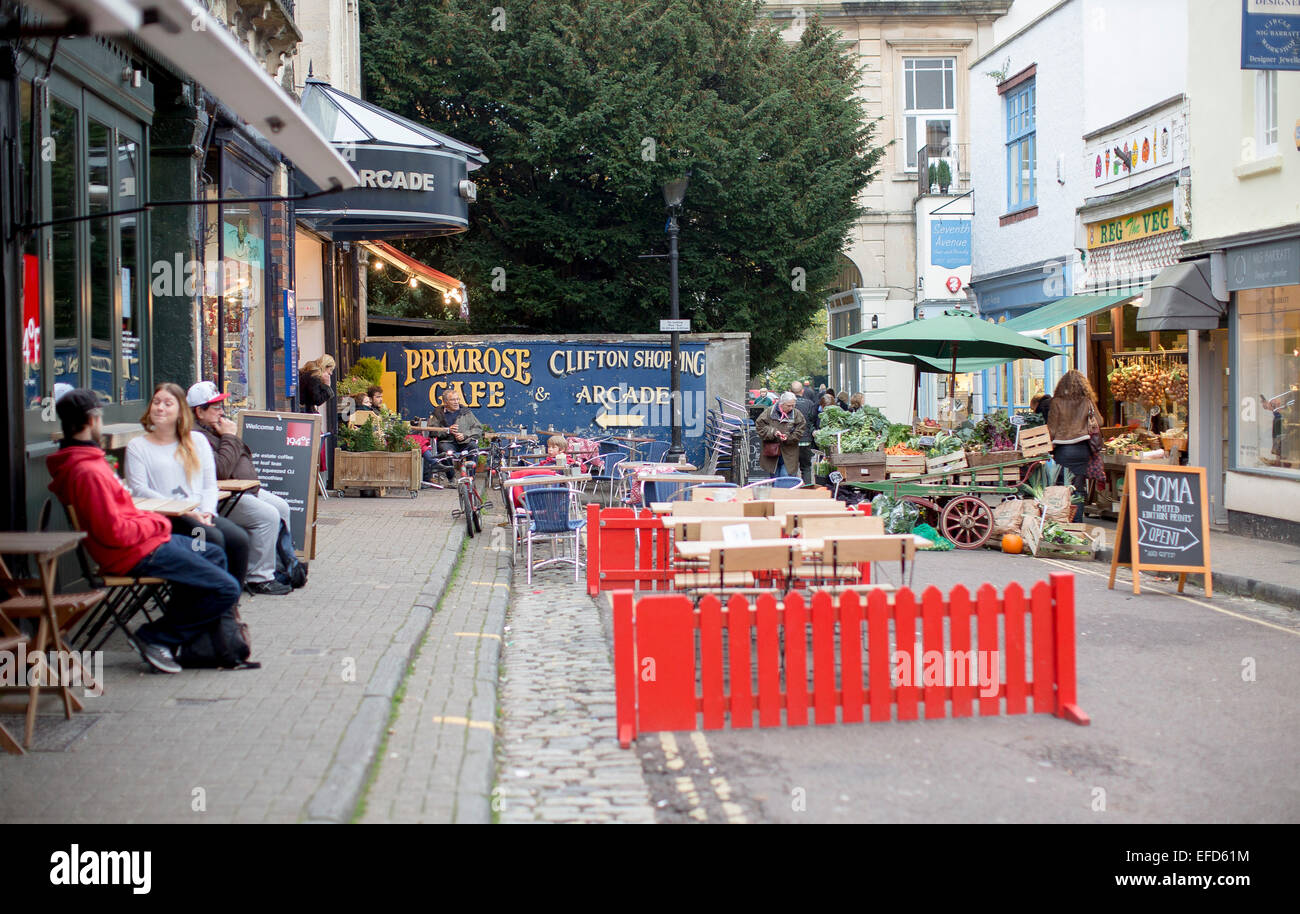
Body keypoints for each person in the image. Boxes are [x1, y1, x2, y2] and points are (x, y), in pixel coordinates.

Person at [47, 389, 242, 674]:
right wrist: (159, 523)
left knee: (212, 553)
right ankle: (157, 637)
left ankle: (195, 644)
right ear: (91, 421)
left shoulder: (88, 461)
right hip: (134, 553)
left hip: (144, 543)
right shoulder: (88, 470)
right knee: (226, 587)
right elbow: (115, 532)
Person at [124, 383, 255, 591]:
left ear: (180, 411)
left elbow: (209, 485)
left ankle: (228, 604)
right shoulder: (138, 446)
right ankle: (201, 600)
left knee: (238, 539)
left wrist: (207, 512)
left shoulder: (198, 441)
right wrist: (184, 511)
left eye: (168, 403)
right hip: (166, 519)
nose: (160, 408)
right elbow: (140, 490)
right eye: (156, 402)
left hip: (200, 514)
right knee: (208, 538)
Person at [188, 380, 301, 594]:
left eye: (221, 406)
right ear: (199, 412)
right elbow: (220, 470)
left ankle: (280, 566)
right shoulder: (196, 436)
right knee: (267, 516)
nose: (221, 411)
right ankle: (258, 577)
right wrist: (229, 436)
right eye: (215, 407)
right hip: (223, 496)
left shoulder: (214, 428)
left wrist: (227, 436)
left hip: (244, 489)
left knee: (282, 507)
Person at [1046, 369, 1102, 522]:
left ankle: (1063, 521)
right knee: (1078, 488)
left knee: (1063, 488)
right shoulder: (1087, 401)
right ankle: (1077, 522)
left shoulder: (1056, 402)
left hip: (1063, 451)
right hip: (1082, 449)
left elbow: (1052, 429)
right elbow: (1100, 421)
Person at [427, 386, 483, 482]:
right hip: (447, 442)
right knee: (444, 450)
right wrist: (447, 430)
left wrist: (465, 435)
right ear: (445, 402)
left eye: (457, 399)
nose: (456, 402)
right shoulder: (438, 413)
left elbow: (478, 429)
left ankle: (470, 477)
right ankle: (451, 478)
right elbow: (432, 431)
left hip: (464, 442)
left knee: (473, 447)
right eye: (453, 400)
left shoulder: (466, 412)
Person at [756, 392, 806, 479]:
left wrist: (788, 437)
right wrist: (773, 432)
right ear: (781, 404)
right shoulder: (769, 412)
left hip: (789, 453)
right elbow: (760, 426)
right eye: (789, 405)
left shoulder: (797, 414)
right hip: (772, 453)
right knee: (775, 479)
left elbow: (800, 429)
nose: (791, 408)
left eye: (793, 405)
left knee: (785, 479)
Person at [789, 380, 818, 483]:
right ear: (802, 391)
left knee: (792, 468)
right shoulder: (809, 403)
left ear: (790, 391)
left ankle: (792, 488)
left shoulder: (789, 404)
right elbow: (813, 420)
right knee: (806, 467)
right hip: (806, 440)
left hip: (792, 440)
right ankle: (807, 488)